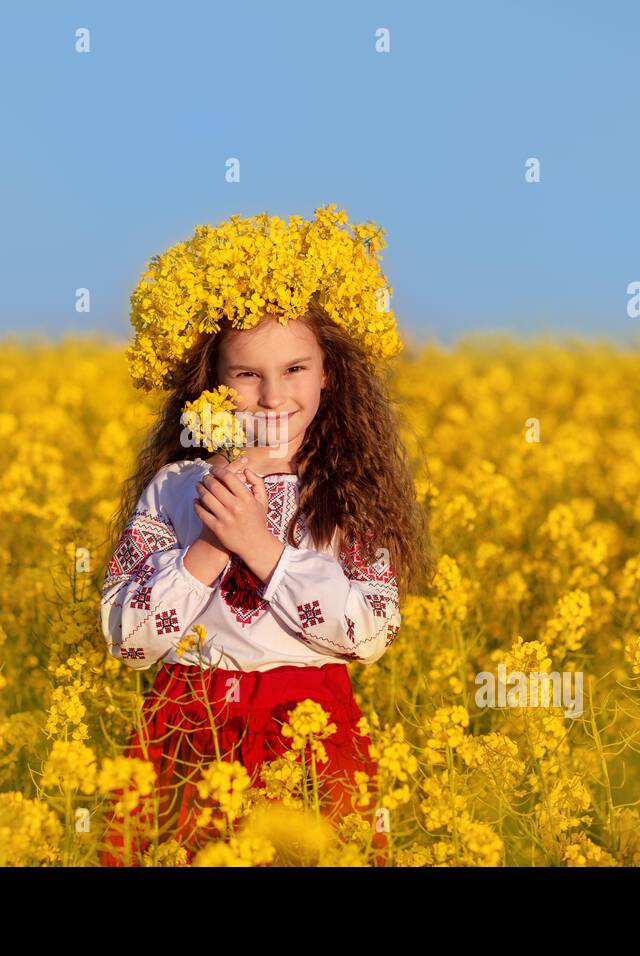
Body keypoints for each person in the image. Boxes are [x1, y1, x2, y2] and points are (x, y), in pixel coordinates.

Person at [98, 205, 430, 866]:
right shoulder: (174, 491)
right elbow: (128, 641)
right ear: (211, 386)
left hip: (309, 735)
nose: (273, 396)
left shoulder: (346, 494)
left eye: (296, 370)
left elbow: (370, 633)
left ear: (329, 373)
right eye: (246, 375)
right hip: (189, 734)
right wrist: (211, 545)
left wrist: (264, 549)